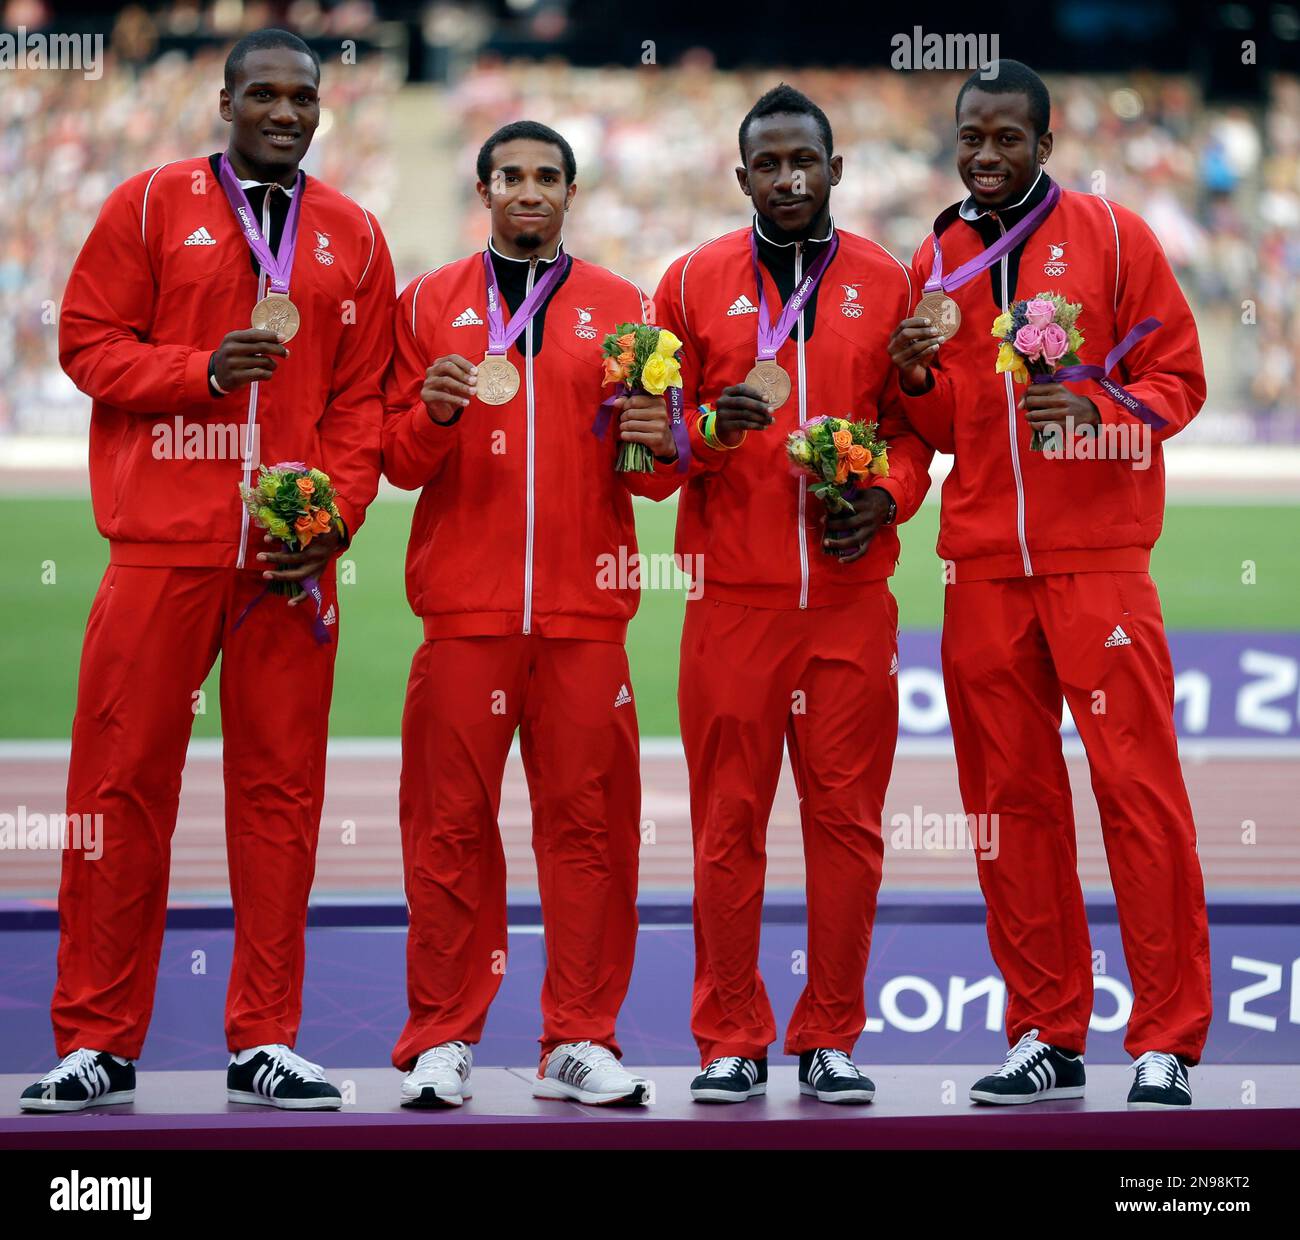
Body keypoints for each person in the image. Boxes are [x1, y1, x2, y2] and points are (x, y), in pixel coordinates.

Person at [21, 29, 395, 1113]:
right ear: (225, 99)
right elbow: (85, 341)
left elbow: (361, 405)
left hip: (287, 560)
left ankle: (264, 1038)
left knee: (280, 799)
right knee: (120, 788)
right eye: (264, 94)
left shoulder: (354, 236)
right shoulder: (148, 205)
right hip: (163, 548)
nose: (285, 112)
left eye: (303, 97)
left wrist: (335, 518)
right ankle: (97, 1038)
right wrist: (197, 369)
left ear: (322, 109)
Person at [889, 59, 1211, 1109]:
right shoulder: (934, 258)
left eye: (1006, 139)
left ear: (1045, 142)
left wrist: (1098, 414)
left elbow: (1180, 378)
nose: (985, 157)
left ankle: (1164, 1036)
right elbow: (935, 431)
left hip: (1097, 566)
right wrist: (913, 372)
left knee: (1137, 795)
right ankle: (1044, 1027)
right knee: (1007, 807)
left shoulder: (1116, 238)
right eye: (970, 139)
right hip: (981, 567)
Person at [382, 120, 676, 1109]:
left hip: (586, 614)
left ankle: (579, 1038)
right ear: (482, 189)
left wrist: (661, 438)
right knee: (447, 831)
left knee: (592, 832)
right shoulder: (425, 302)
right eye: (510, 175)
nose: (529, 191)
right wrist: (429, 412)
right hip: (464, 615)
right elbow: (395, 461)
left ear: (571, 192)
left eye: (547, 177)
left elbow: (658, 480)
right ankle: (441, 1039)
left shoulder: (624, 309)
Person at [651, 85, 933, 1104]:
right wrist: (707, 434)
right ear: (741, 177)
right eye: (766, 164)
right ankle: (729, 1034)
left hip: (851, 603)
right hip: (732, 603)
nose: (786, 179)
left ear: (835, 170)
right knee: (727, 824)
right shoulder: (687, 283)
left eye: (802, 161)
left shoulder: (889, 282)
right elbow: (645, 459)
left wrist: (888, 500)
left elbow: (917, 436)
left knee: (846, 824)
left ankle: (831, 1036)